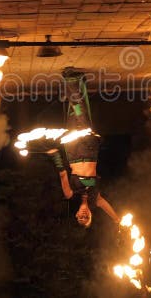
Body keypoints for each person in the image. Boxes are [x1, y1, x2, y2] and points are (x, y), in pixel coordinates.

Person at [46, 68, 118, 227]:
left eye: (80, 217)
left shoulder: (70, 195)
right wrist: (118, 221)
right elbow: (109, 209)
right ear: (91, 215)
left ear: (76, 214)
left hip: (73, 152)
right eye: (87, 218)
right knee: (82, 115)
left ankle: (72, 83)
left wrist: (55, 156)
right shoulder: (95, 199)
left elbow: (63, 174)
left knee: (74, 117)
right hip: (91, 152)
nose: (83, 216)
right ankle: (71, 81)